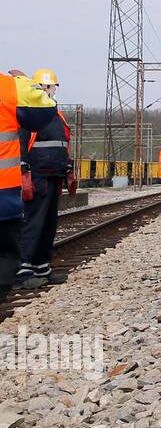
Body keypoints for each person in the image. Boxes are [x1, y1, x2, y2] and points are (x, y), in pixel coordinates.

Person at [1, 70, 58, 304]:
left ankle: (40, 266)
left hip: (42, 177)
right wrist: (25, 81)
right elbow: (45, 108)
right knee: (6, 252)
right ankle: (22, 273)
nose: (49, 89)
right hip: (5, 195)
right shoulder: (10, 88)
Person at [16, 68, 75, 287]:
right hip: (37, 176)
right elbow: (22, 144)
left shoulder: (55, 114)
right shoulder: (29, 114)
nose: (49, 91)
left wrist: (67, 167)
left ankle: (42, 267)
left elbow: (61, 144)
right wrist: (24, 172)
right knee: (33, 222)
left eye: (51, 87)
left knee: (49, 224)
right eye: (46, 87)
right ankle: (24, 269)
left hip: (54, 175)